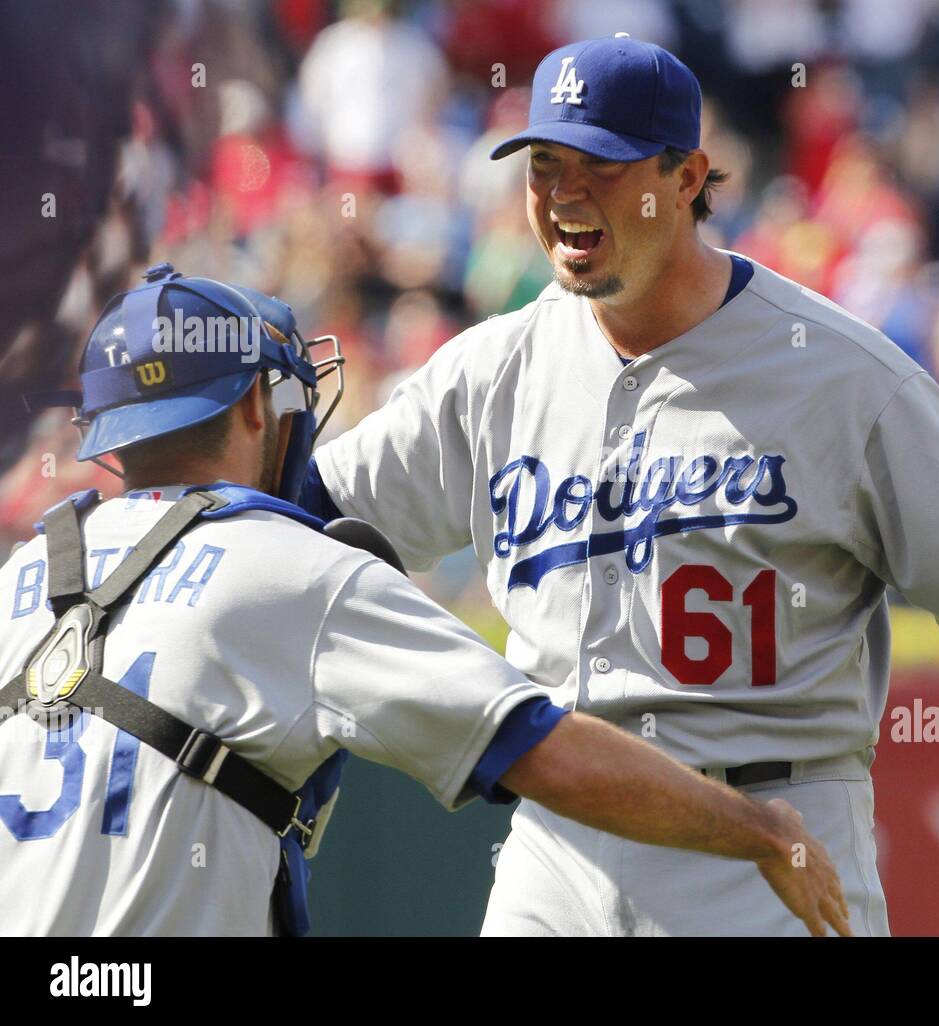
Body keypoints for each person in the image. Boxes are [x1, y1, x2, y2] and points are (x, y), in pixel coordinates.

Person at [300, 36, 939, 937]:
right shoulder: (491, 370)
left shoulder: (839, 374)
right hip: (559, 838)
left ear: (686, 180)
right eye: (544, 165)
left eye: (602, 166)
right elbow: (301, 517)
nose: (565, 195)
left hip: (770, 836)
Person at [0, 265, 850, 937]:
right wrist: (765, 831)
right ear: (259, 402)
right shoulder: (289, 568)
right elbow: (544, 753)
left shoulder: (17, 580)